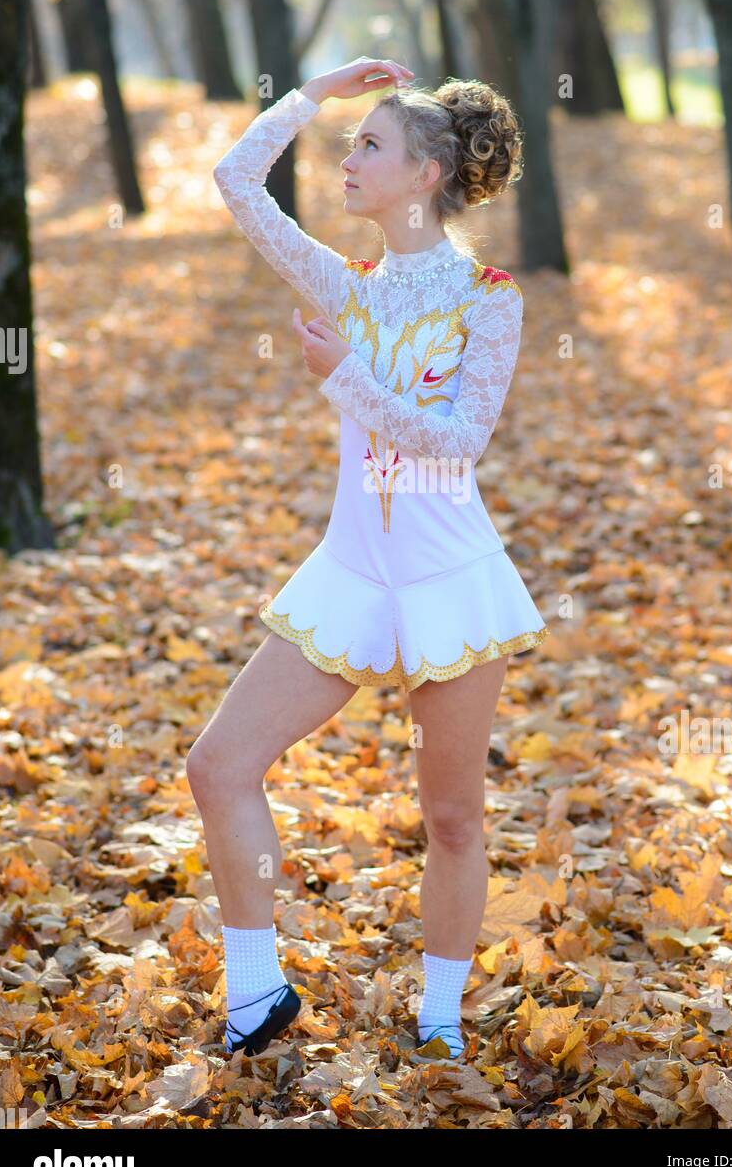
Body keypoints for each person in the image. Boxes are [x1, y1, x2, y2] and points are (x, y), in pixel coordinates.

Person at [186, 56, 548, 1063]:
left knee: (452, 818)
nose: (350, 158)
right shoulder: (340, 282)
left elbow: (456, 442)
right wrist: (317, 93)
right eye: (353, 143)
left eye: (371, 145)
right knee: (218, 766)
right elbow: (233, 182)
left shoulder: (490, 296)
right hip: (352, 571)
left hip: (448, 581)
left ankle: (440, 1021)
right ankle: (256, 994)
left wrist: (344, 374)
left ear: (426, 175)